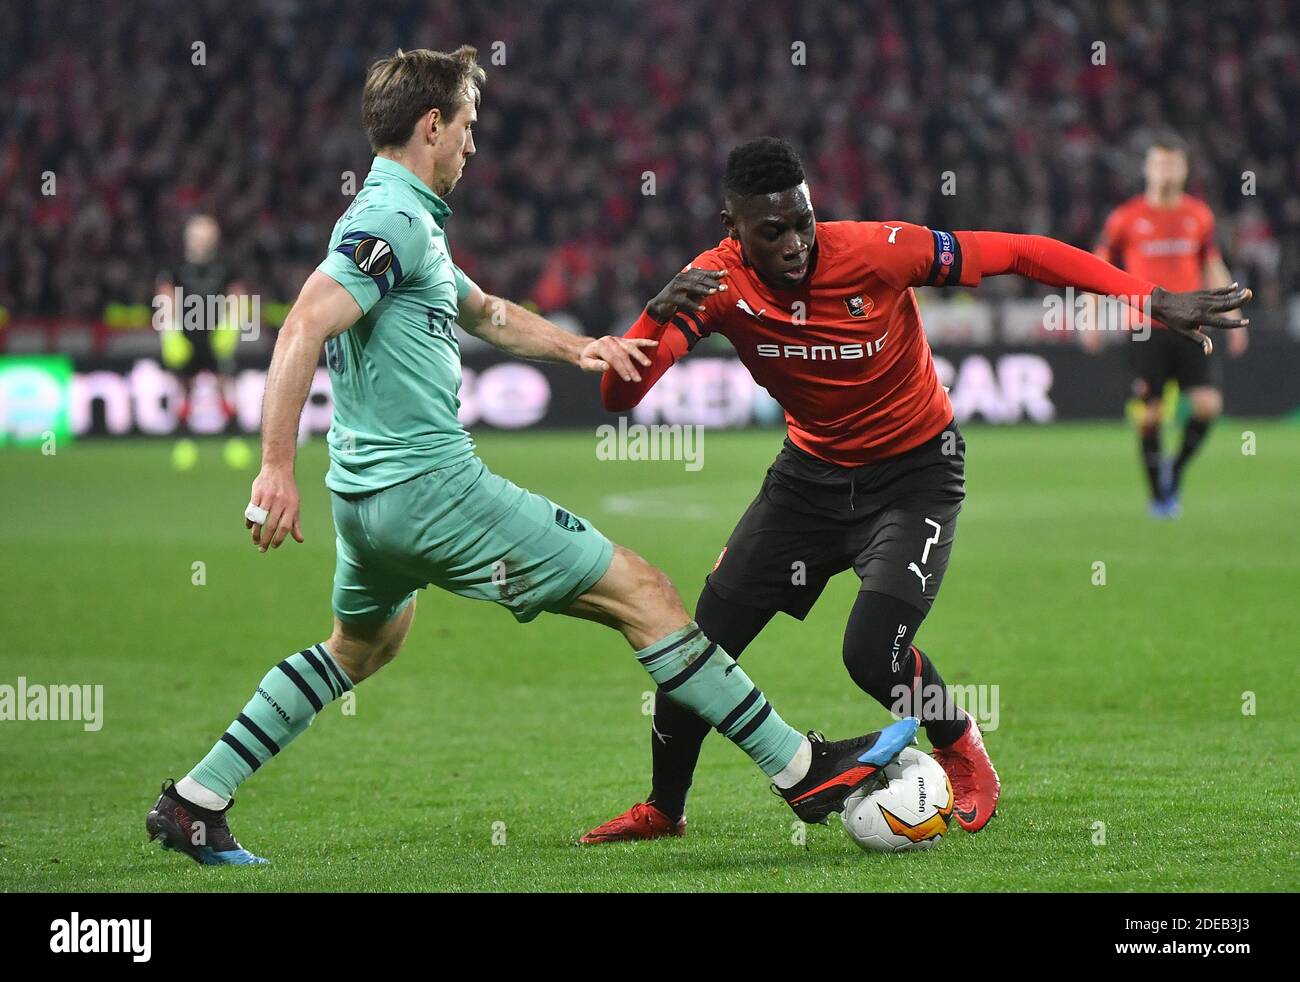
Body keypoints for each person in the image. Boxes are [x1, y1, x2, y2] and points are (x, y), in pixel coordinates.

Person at [144, 50, 917, 865]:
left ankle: (196, 800)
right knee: (644, 593)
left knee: (363, 645)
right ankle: (802, 769)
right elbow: (304, 323)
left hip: (364, 505)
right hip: (432, 490)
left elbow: (487, 313)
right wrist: (272, 466)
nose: (474, 145)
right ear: (432, 126)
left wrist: (581, 348)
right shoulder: (393, 221)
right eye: (468, 127)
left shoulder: (404, 219)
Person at [581, 136, 1249, 844]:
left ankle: (961, 747)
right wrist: (653, 316)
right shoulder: (712, 284)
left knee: (873, 654)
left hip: (915, 476)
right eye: (772, 231)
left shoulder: (878, 250)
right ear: (732, 228)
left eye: (803, 221)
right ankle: (664, 807)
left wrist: (1149, 299)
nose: (796, 243)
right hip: (806, 482)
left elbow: (1022, 252)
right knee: (693, 651)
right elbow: (620, 397)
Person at [1088, 131, 1247, 517]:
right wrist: (1090, 316)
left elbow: (1210, 264)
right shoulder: (1126, 218)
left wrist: (1233, 312)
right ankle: (1159, 495)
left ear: (1185, 169)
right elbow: (1097, 267)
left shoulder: (1198, 215)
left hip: (1192, 325)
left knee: (1208, 406)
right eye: (1160, 163)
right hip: (1145, 327)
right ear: (1147, 168)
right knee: (1152, 415)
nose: (1166, 171)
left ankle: (1173, 471)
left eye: (1174, 163)